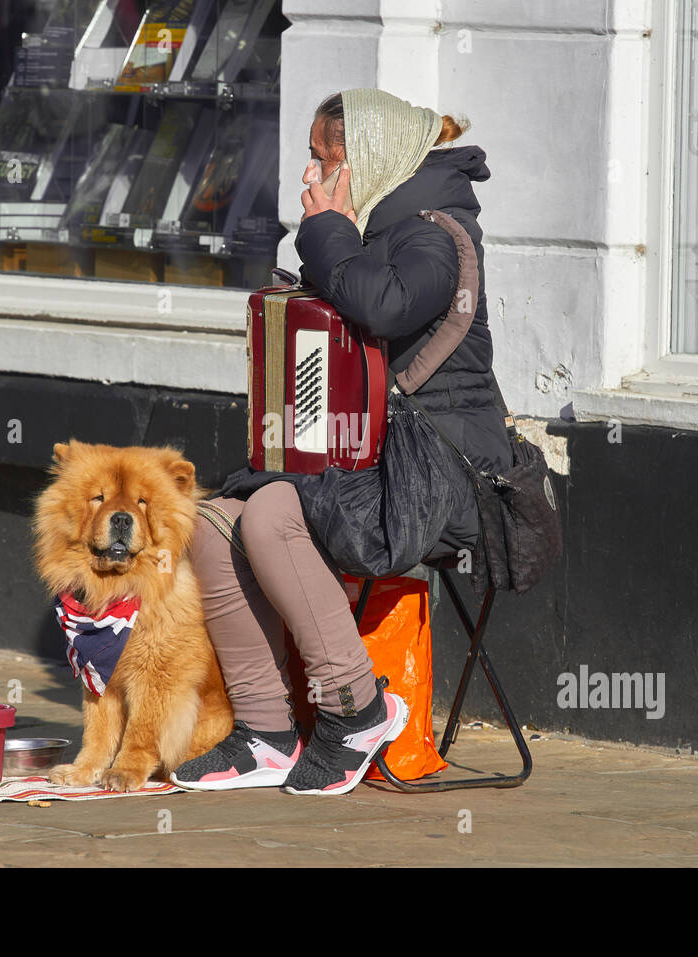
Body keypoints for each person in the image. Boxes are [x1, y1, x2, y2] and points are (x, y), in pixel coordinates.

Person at [170, 88, 512, 795]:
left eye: (322, 163)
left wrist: (324, 229)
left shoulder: (436, 234)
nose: (308, 180)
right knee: (211, 521)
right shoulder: (378, 232)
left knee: (270, 514)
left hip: (446, 476)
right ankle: (265, 729)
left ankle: (357, 706)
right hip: (376, 466)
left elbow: (383, 303)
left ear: (366, 165)